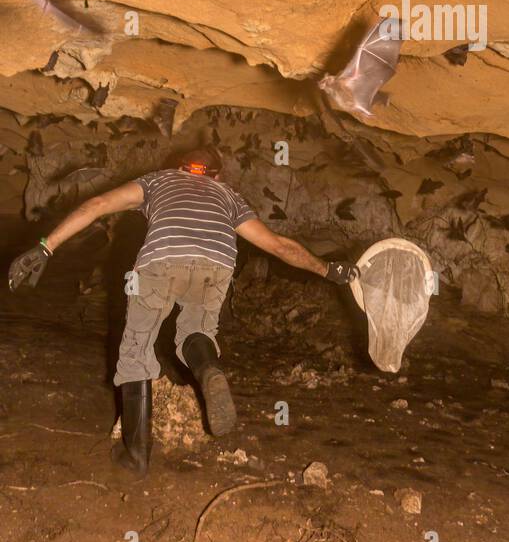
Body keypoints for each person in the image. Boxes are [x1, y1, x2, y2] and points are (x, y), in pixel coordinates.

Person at [7, 147, 357, 476]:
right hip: (217, 263)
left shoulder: (158, 180)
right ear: (217, 176)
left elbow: (97, 204)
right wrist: (329, 270)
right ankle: (208, 371)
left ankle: (137, 454)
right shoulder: (229, 196)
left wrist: (45, 247)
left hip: (162, 257)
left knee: (137, 349)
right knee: (196, 331)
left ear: (179, 167)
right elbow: (281, 246)